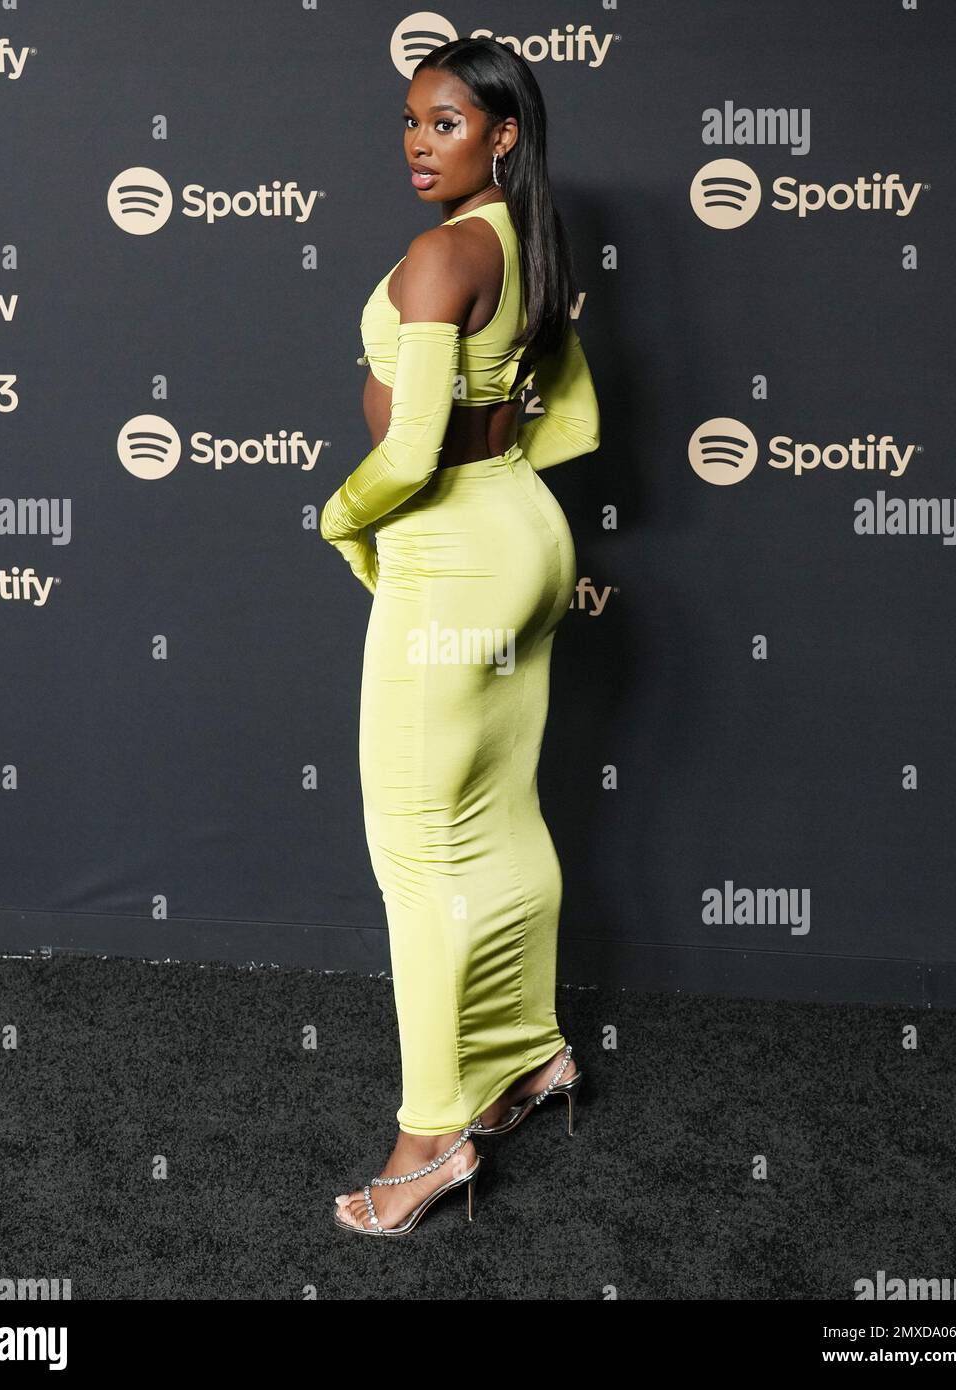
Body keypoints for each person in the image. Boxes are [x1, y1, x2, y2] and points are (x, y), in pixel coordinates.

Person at [321, 36, 600, 1237]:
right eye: (410, 120)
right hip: (519, 532)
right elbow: (562, 410)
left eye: (446, 123)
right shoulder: (521, 240)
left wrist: (339, 515)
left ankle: (430, 1136)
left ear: (503, 136)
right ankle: (532, 1057)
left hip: (448, 550)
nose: (418, 143)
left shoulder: (443, 255)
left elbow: (411, 447)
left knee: (420, 848)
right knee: (499, 811)